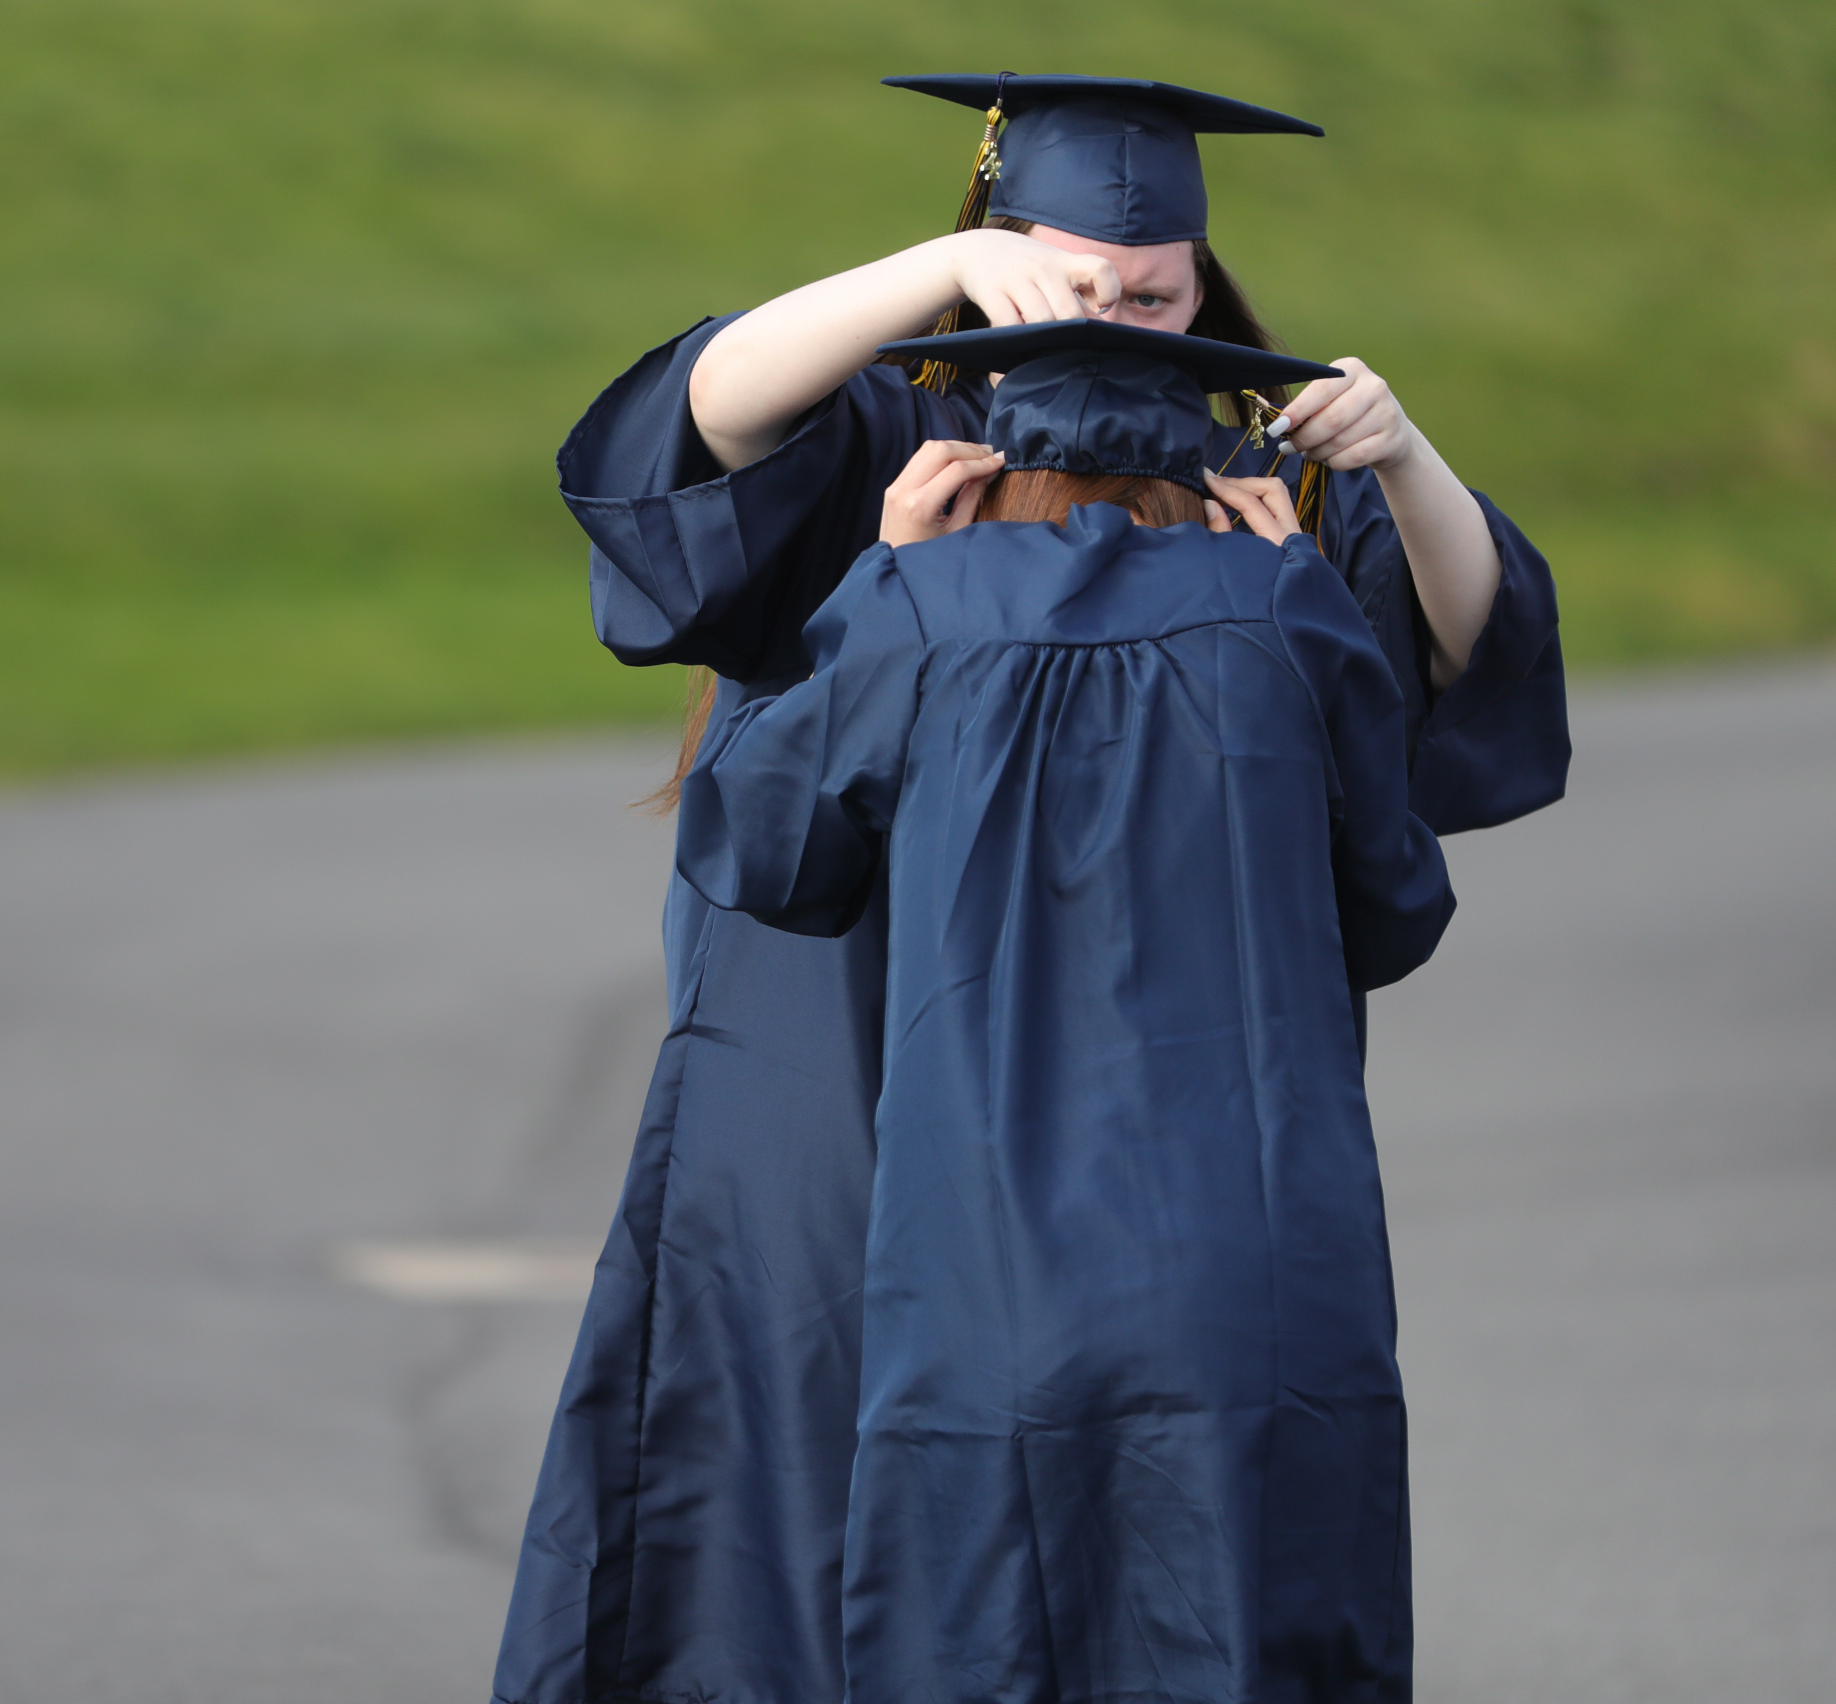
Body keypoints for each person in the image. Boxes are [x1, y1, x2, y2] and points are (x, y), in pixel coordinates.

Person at [495, 75, 1566, 1704]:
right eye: (1068, 272)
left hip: (1153, 1082)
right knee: (804, 1504)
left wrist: (1407, 465)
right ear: (989, 249)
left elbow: (1458, 691)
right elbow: (682, 433)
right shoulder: (888, 434)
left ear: (1201, 280)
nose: (1117, 308)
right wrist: (916, 291)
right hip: (835, 1056)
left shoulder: (1250, 488)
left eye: (1153, 285)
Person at [677, 315, 1450, 1701]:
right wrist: (1298, 591)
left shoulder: (916, 610)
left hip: (985, 1252)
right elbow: (1394, 911)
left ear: (984, 459)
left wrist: (886, 578)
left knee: (985, 1622)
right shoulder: (1282, 608)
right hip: (1256, 1249)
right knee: (1254, 1612)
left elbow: (761, 853)